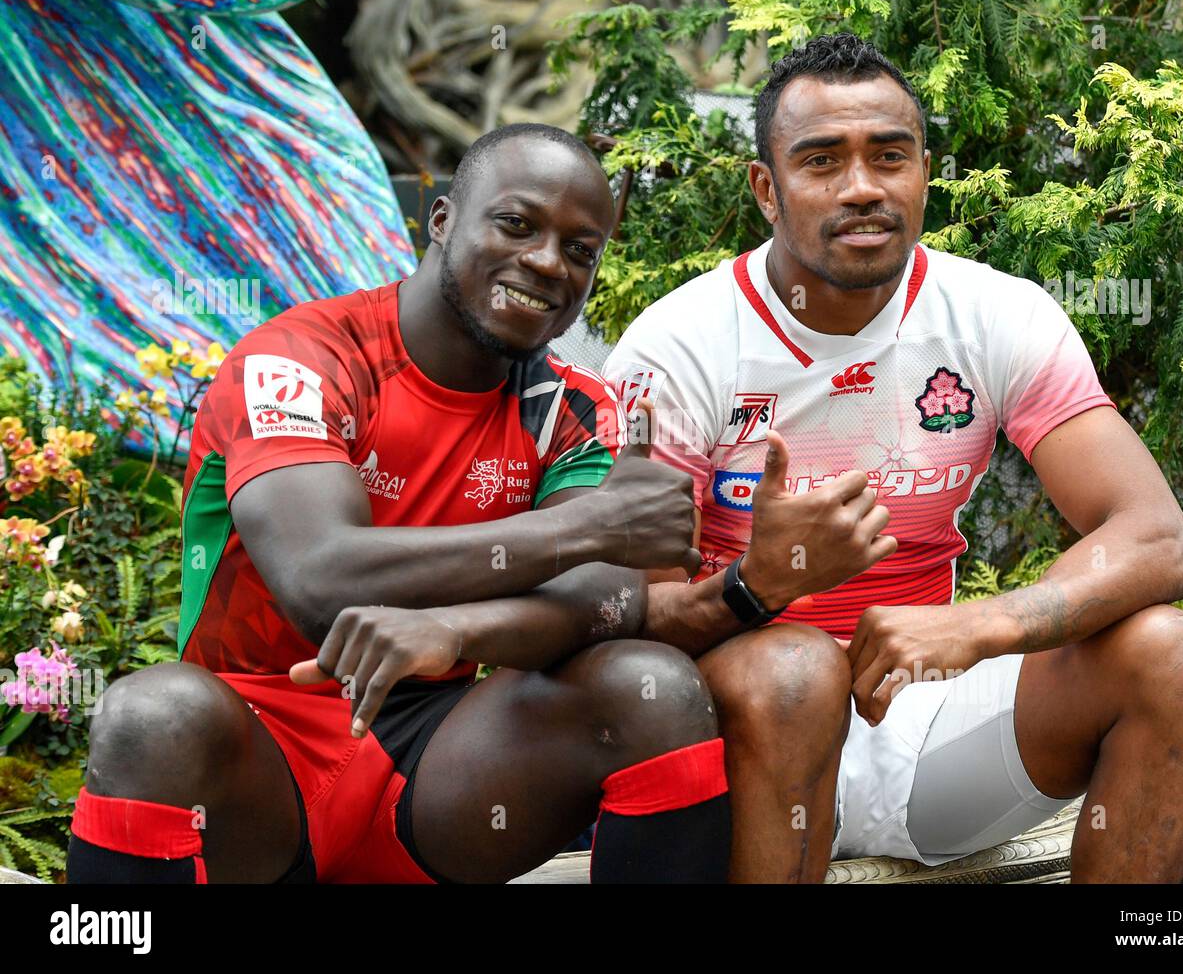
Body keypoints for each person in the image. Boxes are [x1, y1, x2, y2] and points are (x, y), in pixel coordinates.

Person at [603, 33, 1183, 883]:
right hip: (750, 741)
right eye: (821, 161)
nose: (862, 188)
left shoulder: (995, 314)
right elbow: (625, 613)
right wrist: (764, 582)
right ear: (766, 188)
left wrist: (981, 623)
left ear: (923, 173)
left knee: (1181, 659)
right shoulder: (680, 346)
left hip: (925, 727)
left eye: (888, 157)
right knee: (798, 669)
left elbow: (1156, 539)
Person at [67, 123, 731, 884]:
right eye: (517, 224)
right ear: (441, 220)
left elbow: (605, 600)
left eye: (581, 251)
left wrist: (451, 631)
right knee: (154, 712)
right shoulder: (303, 357)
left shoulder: (573, 409)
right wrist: (579, 528)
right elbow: (322, 581)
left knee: (649, 687)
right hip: (254, 749)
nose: (548, 262)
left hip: (436, 766)